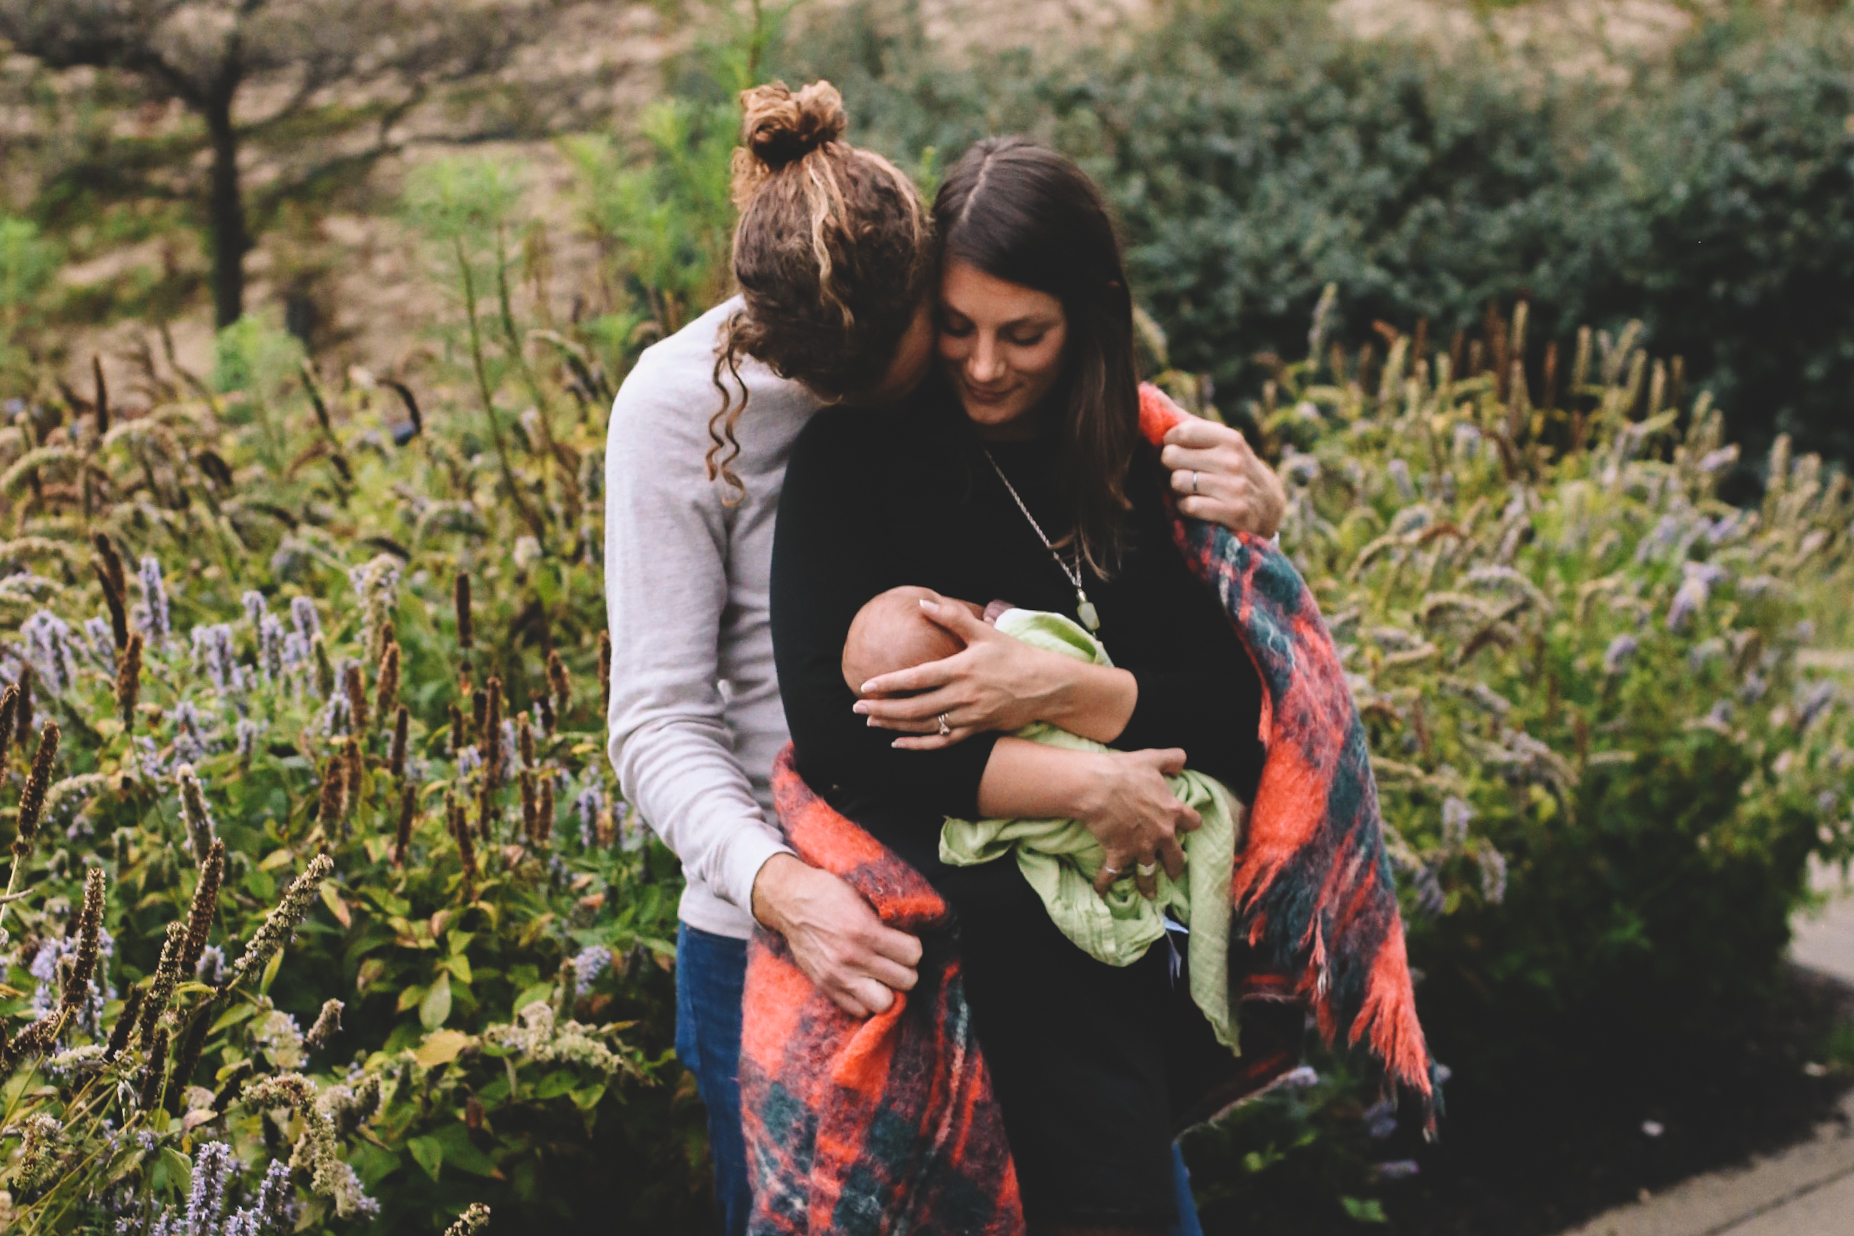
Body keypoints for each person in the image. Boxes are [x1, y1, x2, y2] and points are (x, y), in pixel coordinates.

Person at [603, 81, 1286, 1236]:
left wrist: (1261, 514)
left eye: (903, 367)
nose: (966, 381)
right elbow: (661, 718)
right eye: (842, 389)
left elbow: (1188, 605)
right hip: (791, 930)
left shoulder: (976, 343)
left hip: (1008, 922)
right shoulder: (677, 408)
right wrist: (783, 888)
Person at [842, 585, 1240, 1050]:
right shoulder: (1027, 639)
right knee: (1191, 846)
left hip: (1138, 818)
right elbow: (1083, 654)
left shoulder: (1012, 674)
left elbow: (970, 839)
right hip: (1137, 810)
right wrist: (1010, 622)